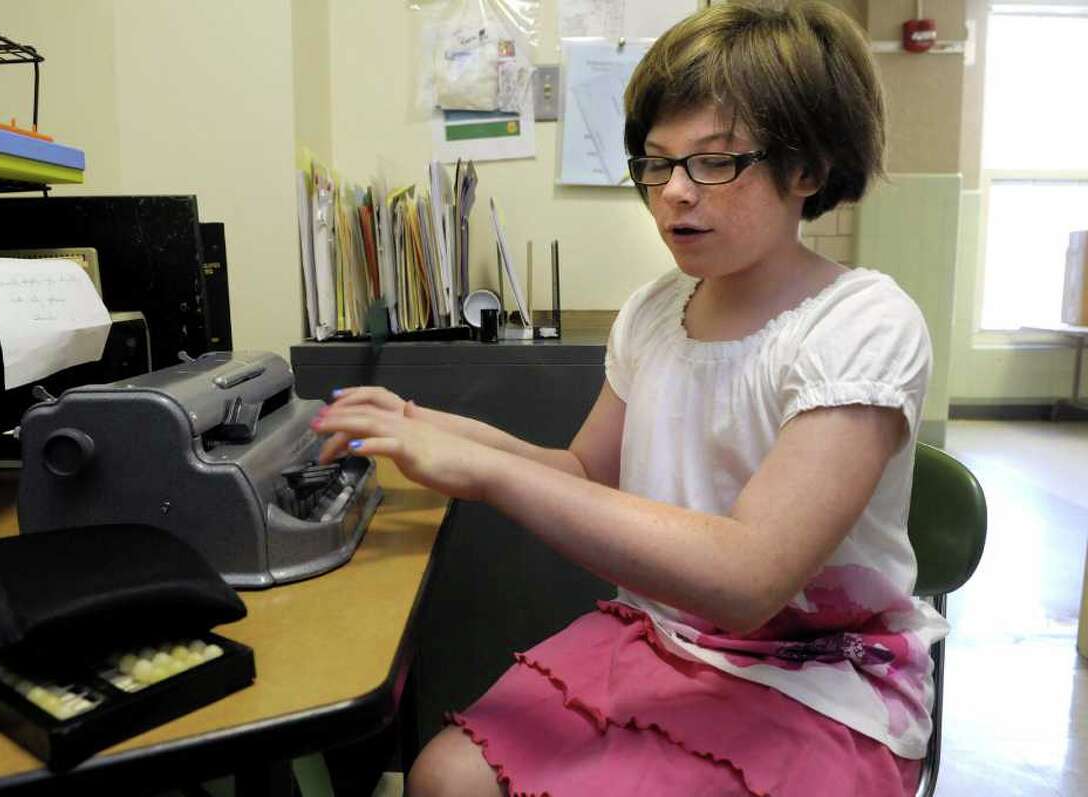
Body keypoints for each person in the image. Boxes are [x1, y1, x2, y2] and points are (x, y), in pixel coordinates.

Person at [311, 2, 945, 794]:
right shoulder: (654, 312)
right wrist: (433, 428)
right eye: (656, 161)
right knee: (442, 776)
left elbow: (748, 578)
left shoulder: (862, 323)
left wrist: (488, 475)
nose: (675, 192)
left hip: (815, 679)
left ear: (808, 169)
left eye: (715, 162)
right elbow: (580, 469)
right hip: (663, 638)